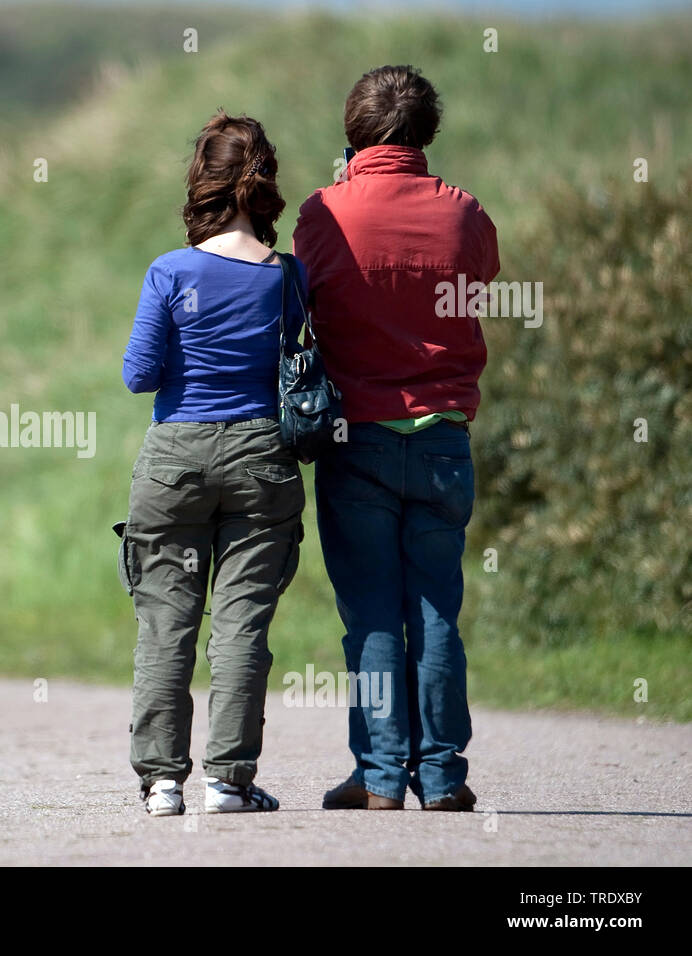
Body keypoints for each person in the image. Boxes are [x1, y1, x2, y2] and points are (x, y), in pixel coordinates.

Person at [292, 65, 500, 811]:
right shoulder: (465, 213)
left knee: (373, 614)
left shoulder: (322, 213)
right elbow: (477, 285)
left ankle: (381, 775)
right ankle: (443, 775)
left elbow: (305, 297)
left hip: (357, 440)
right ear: (427, 131)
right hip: (443, 439)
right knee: (437, 612)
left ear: (353, 132)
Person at [121, 110, 306, 816]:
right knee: (242, 625)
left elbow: (140, 375)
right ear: (265, 185)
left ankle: (162, 782)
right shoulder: (289, 277)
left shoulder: (170, 271)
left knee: (167, 621)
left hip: (176, 457)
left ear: (202, 181)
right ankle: (229, 780)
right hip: (264, 455)